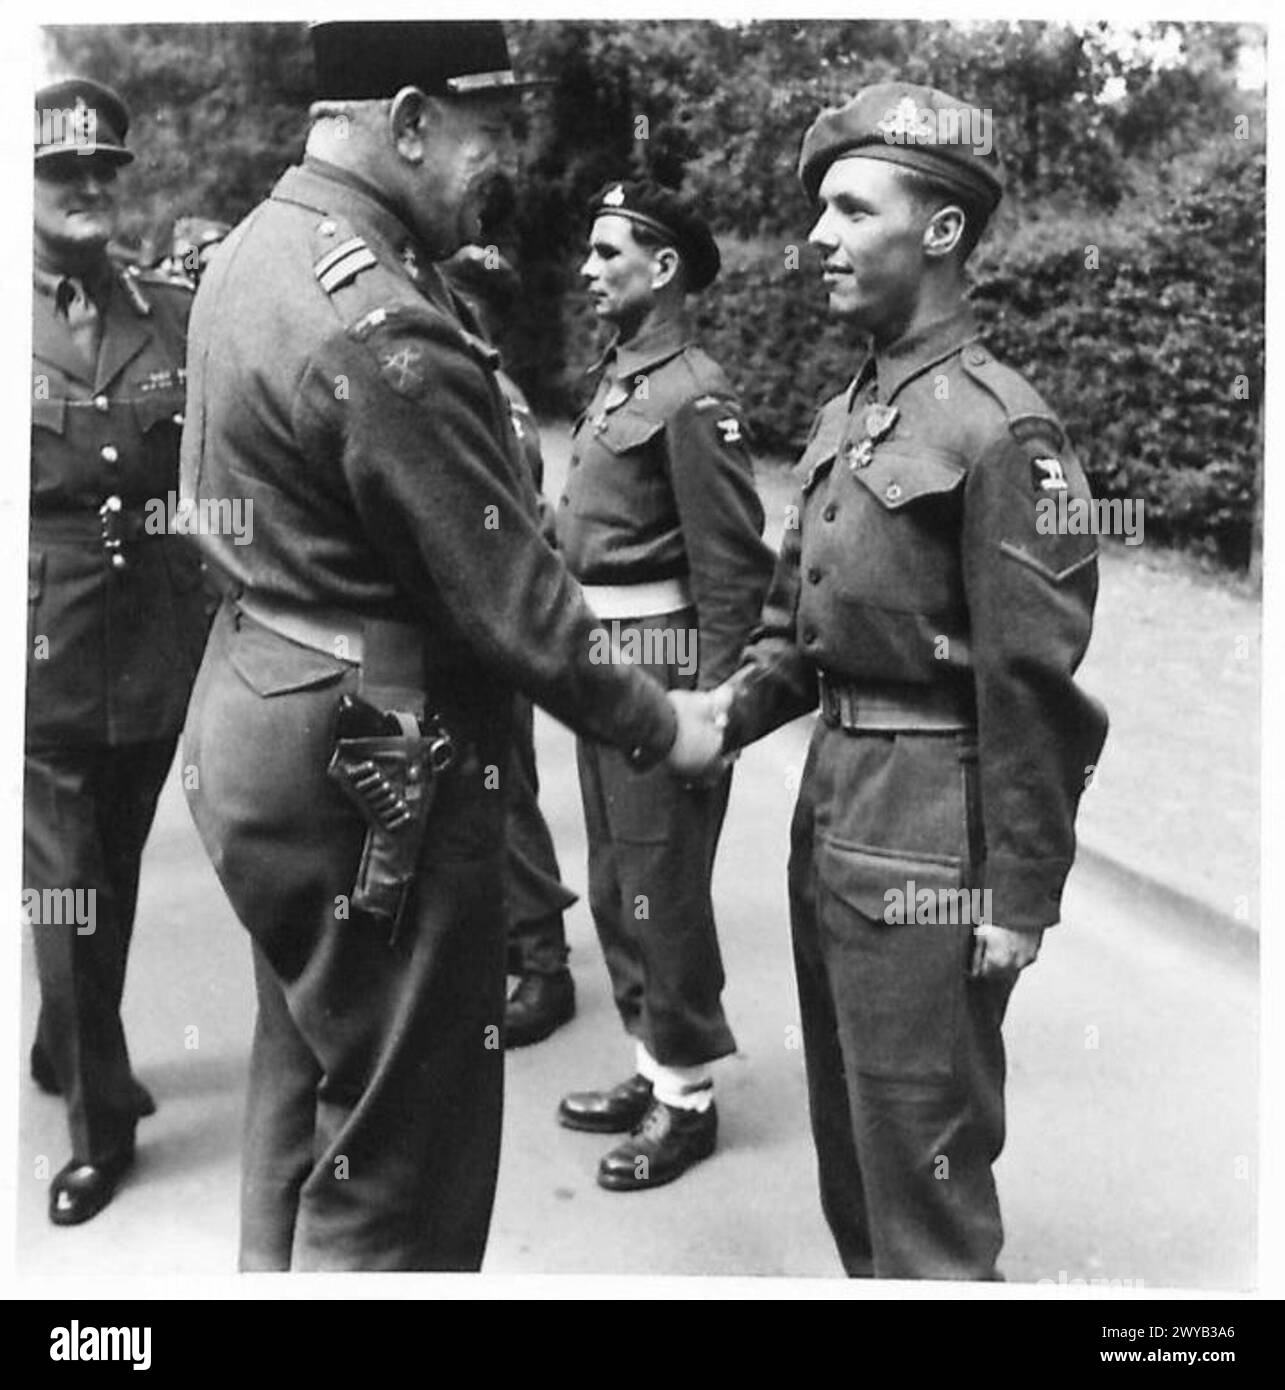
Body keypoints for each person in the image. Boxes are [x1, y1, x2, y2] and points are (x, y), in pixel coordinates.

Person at [179, 21, 713, 1272]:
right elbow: (514, 604)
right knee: (400, 1161)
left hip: (261, 707)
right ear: (409, 119)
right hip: (372, 764)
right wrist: (666, 722)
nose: (504, 157)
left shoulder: (258, 250)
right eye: (490, 127)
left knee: (308, 1081)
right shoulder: (380, 319)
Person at [692, 82, 1109, 1277]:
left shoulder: (1002, 432)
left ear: (939, 233)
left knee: (922, 1178)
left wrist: (1020, 894)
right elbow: (794, 624)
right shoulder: (851, 409)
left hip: (934, 845)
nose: (815, 236)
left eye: (847, 209)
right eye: (819, 210)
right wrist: (719, 714)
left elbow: (1034, 685)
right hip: (833, 819)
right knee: (853, 1161)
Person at [553, 180, 774, 1190]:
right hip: (606, 663)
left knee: (661, 885)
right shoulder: (623, 378)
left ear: (665, 266)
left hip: (666, 666)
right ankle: (655, 1064)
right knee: (615, 875)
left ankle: (686, 1101)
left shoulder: (692, 392)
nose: (589, 270)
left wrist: (717, 712)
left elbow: (733, 570)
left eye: (608, 253)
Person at [27, 78, 207, 1225]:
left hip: (151, 639)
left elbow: (212, 466)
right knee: (67, 881)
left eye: (104, 170)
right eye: (60, 172)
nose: (88, 187)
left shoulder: (171, 310)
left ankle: (61, 1034)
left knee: (112, 870)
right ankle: (100, 1117)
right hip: (38, 643)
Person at [440, 246, 577, 1048]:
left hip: (491, 625)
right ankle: (512, 942)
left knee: (503, 793)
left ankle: (543, 962)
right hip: (492, 620)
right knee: (488, 786)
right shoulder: (497, 388)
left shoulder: (481, 389)